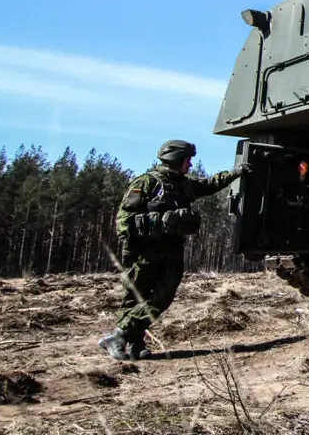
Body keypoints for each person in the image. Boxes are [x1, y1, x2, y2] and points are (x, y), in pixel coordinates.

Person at [97, 140, 252, 360]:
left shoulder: (183, 185)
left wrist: (235, 173)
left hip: (170, 250)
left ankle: (130, 342)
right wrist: (154, 228)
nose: (190, 165)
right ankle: (121, 337)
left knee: (160, 296)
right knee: (141, 298)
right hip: (146, 252)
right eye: (187, 161)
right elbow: (123, 221)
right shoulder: (147, 183)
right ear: (176, 160)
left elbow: (210, 185)